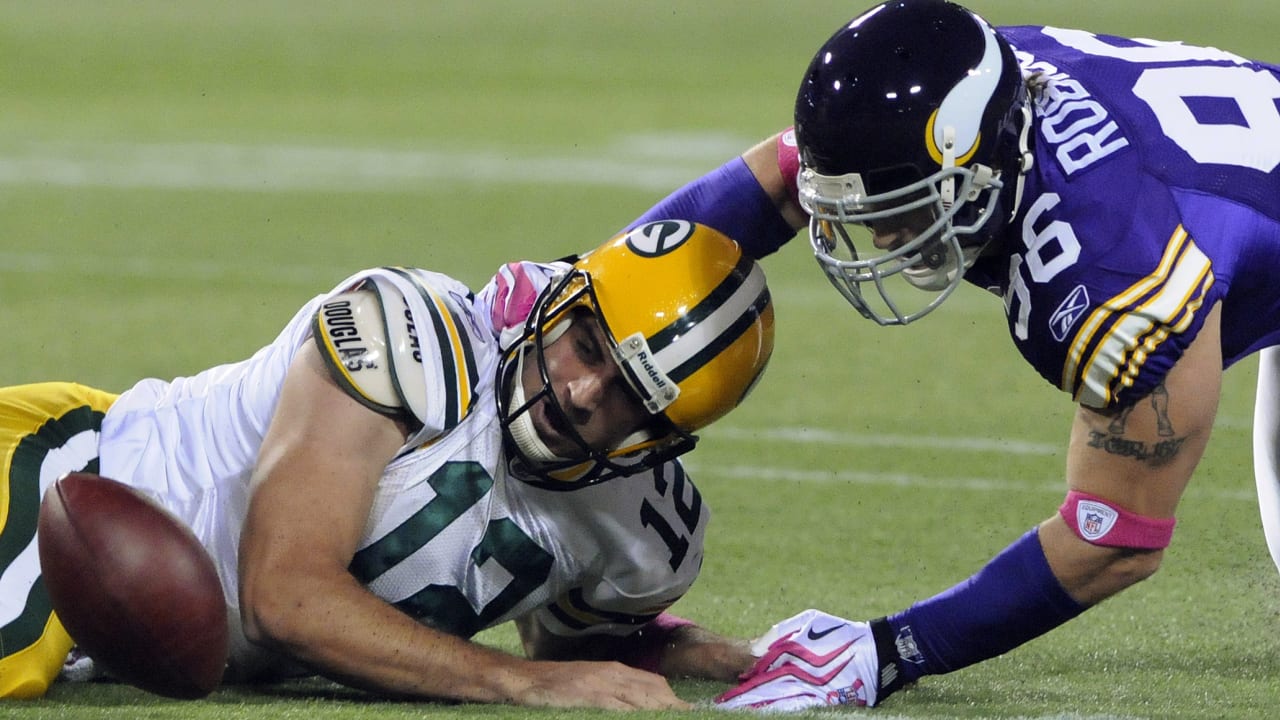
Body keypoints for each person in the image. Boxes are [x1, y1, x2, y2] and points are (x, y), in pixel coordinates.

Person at [706, 0, 1280, 710]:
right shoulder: (982, 88)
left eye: (898, 208)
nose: (882, 239)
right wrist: (590, 279)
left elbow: (1114, 537)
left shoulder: (1117, 269)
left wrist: (888, 650)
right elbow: (781, 173)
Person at [0, 218, 778, 708]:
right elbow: (287, 595)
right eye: (586, 345)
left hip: (145, 627)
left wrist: (720, 654)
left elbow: (574, 649)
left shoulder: (647, 534)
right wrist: (522, 684)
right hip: (70, 480)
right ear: (559, 303)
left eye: (630, 398)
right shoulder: (412, 334)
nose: (580, 391)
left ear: (665, 439)